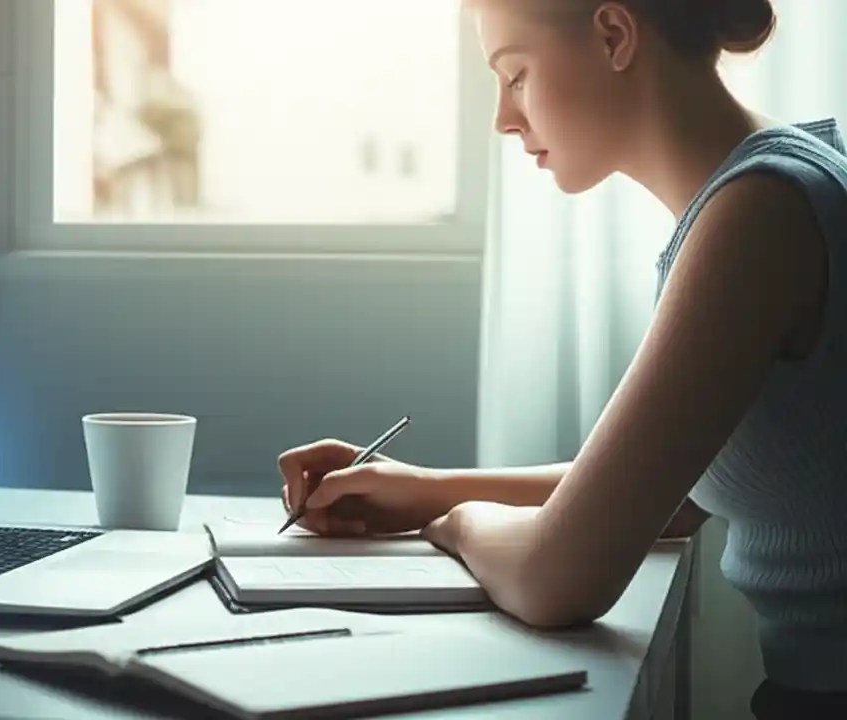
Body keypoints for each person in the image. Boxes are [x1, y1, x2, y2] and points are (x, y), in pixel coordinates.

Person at [276, 1, 847, 717]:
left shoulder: (758, 218)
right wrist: (422, 487)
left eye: (514, 75)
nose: (502, 119)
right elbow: (671, 489)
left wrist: (451, 523)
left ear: (615, 35)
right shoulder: (779, 182)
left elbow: (557, 579)